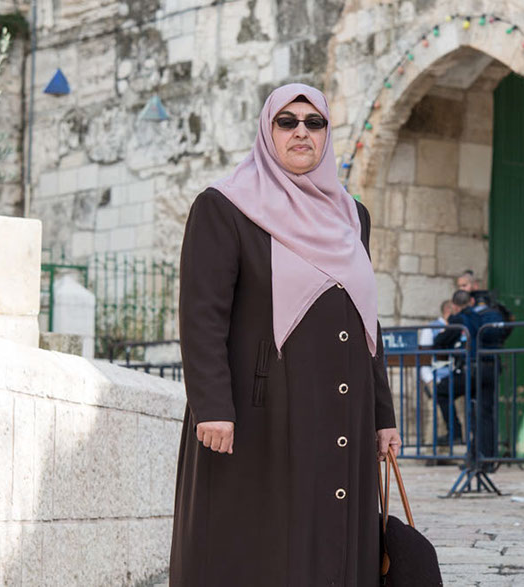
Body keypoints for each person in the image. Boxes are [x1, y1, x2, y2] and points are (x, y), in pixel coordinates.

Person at [169, 83, 401, 587]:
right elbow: (202, 314)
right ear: (267, 131)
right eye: (287, 122)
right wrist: (212, 405)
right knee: (265, 543)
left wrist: (383, 415)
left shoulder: (352, 215)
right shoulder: (225, 206)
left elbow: (368, 321)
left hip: (345, 408)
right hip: (262, 412)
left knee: (334, 538)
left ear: (327, 136)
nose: (301, 132)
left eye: (314, 123)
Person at [434, 289, 505, 457]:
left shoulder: (461, 318)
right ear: (470, 302)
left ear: (454, 306)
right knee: (484, 412)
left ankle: (455, 433)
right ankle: (485, 456)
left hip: (473, 369)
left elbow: (440, 341)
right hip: (491, 367)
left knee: (442, 391)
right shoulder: (486, 316)